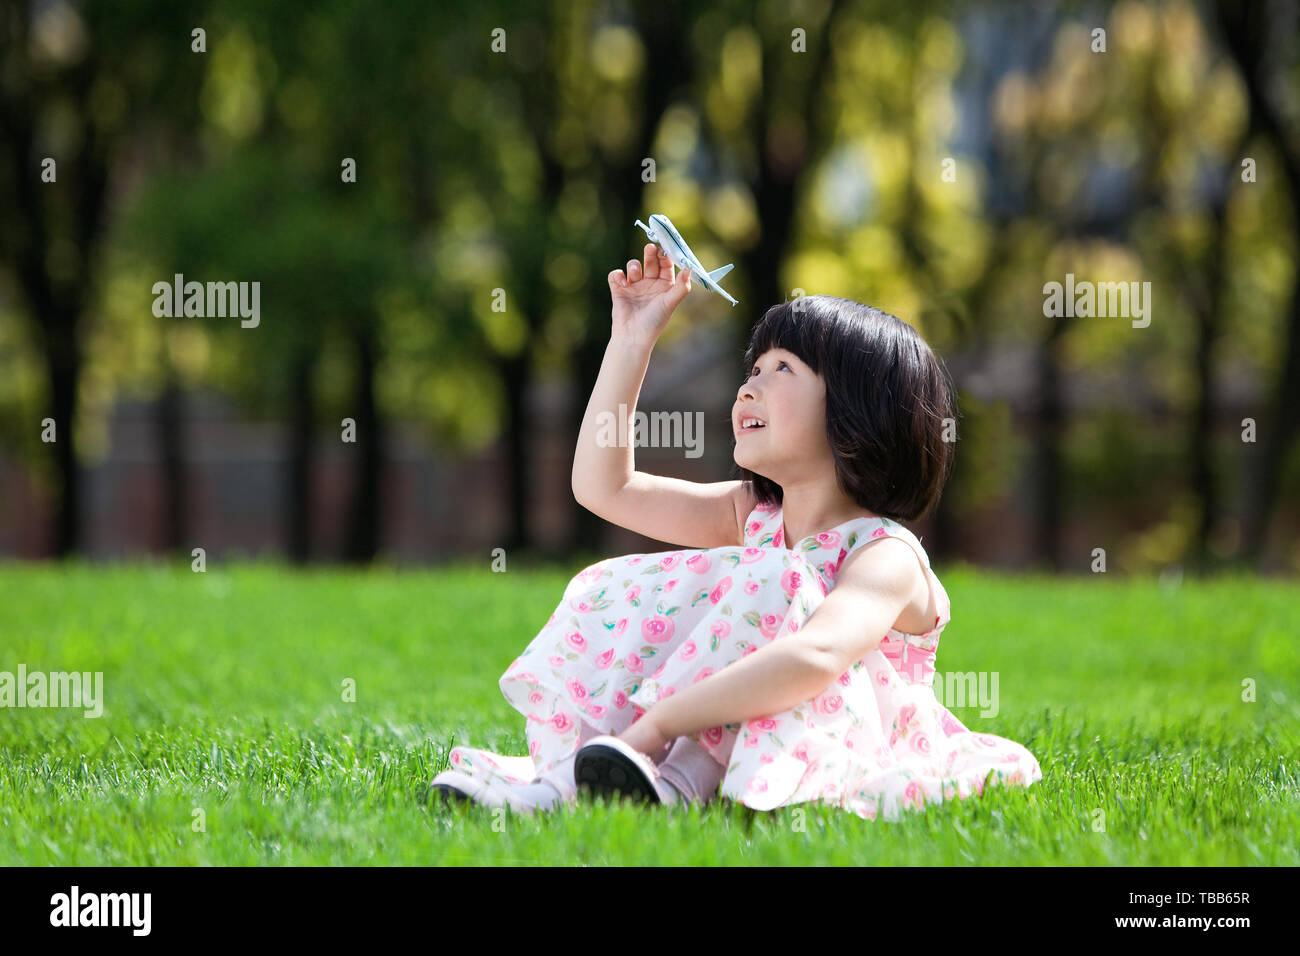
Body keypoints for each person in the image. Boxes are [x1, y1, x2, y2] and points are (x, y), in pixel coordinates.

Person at [430, 243, 1043, 820]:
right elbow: (603, 489)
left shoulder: (886, 556)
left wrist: (657, 725)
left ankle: (652, 771)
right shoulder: (752, 518)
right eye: (753, 365)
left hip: (831, 746)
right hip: (702, 732)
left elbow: (815, 657)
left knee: (774, 578)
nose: (749, 383)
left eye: (783, 368)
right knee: (622, 580)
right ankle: (575, 780)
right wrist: (631, 340)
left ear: (859, 414)